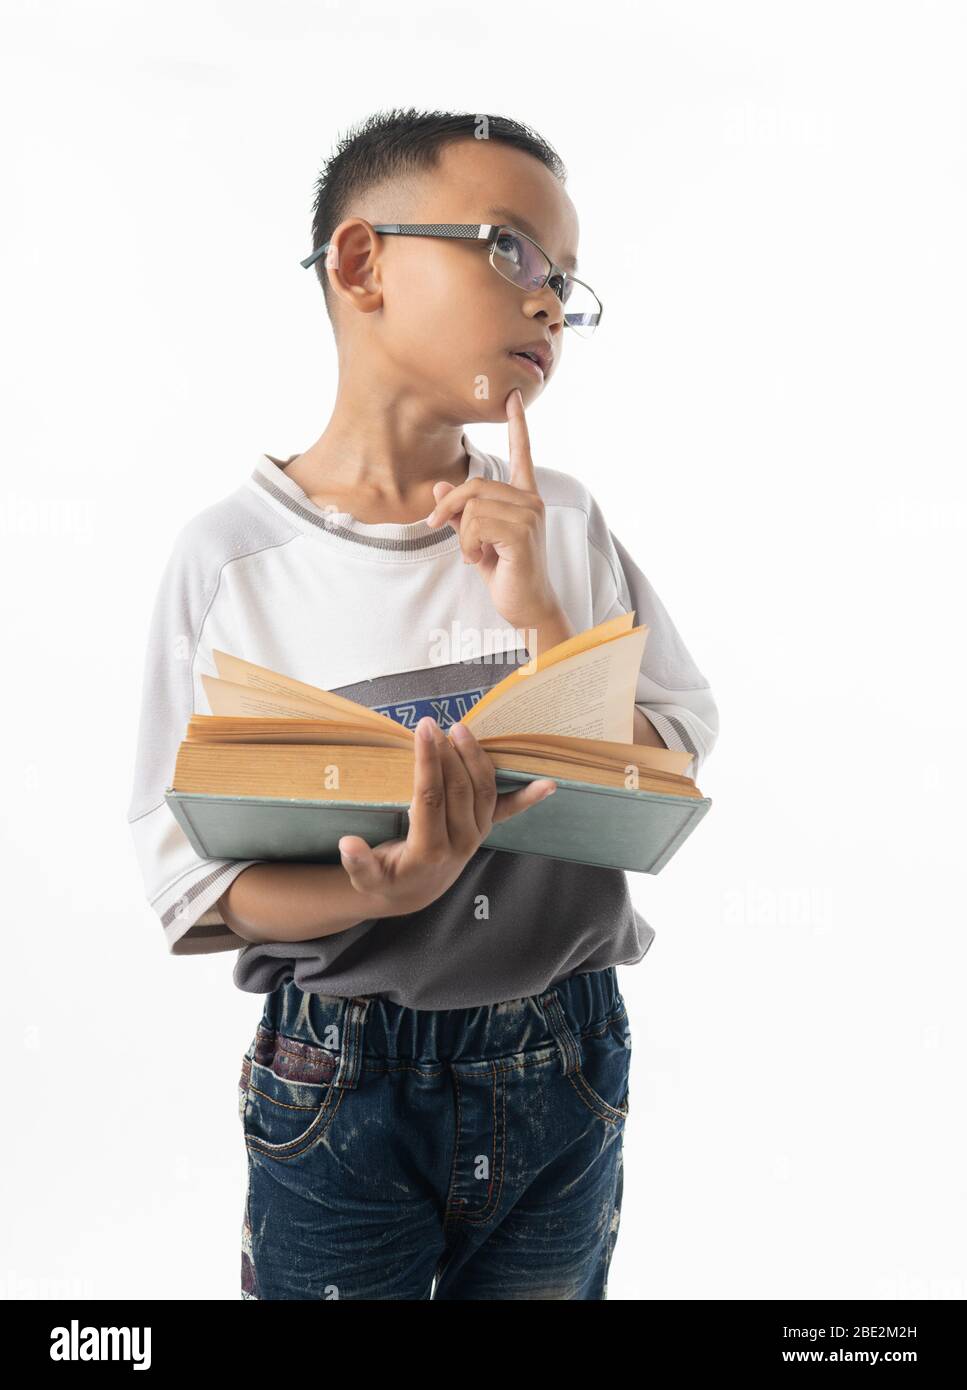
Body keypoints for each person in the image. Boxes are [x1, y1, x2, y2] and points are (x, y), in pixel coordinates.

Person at [127, 108, 719, 1300]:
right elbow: (190, 877)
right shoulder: (231, 562)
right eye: (510, 250)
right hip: (345, 1073)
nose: (548, 301)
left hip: (570, 1048)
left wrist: (546, 618)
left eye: (564, 280)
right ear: (362, 264)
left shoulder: (561, 520)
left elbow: (670, 758)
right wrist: (376, 887)